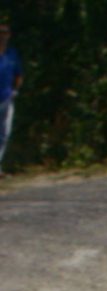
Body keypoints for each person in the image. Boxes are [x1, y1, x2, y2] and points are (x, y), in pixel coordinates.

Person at [0, 21, 18, 176]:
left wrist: (15, 90)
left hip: (7, 98)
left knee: (5, 132)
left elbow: (19, 74)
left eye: (5, 33)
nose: (3, 36)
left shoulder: (12, 54)